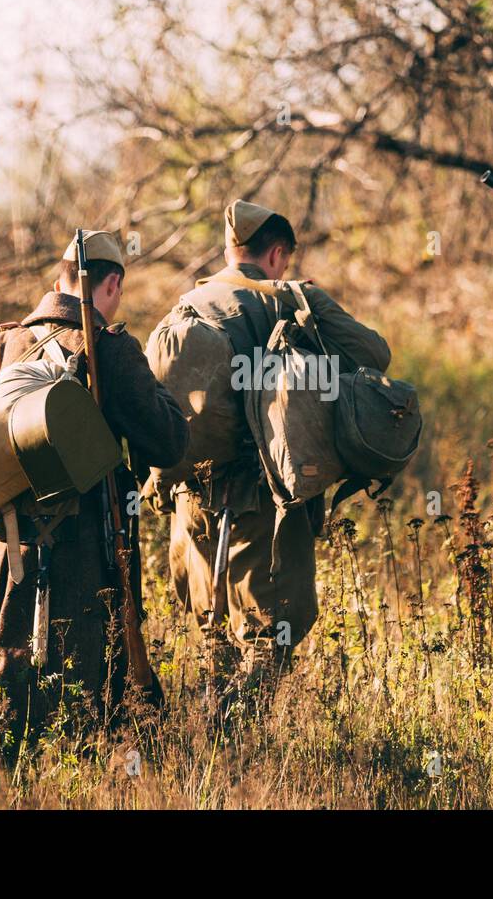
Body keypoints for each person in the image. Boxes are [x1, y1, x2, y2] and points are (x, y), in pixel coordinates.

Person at [0, 230, 187, 774]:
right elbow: (169, 442)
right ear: (112, 283)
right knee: (95, 668)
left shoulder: (3, 346)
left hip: (9, 543)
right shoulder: (110, 348)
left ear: (58, 279)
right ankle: (80, 779)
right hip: (90, 544)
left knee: (12, 655)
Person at [156, 199, 390, 710]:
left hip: (191, 498)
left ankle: (209, 748)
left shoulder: (185, 306)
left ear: (229, 249)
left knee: (212, 632)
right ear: (278, 253)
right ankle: (241, 740)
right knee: (270, 634)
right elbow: (375, 354)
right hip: (265, 497)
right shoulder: (287, 300)